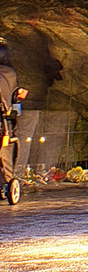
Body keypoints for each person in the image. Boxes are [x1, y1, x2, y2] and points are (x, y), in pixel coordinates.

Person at [0, 44, 28, 201]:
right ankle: (7, 180)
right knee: (5, 152)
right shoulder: (9, 73)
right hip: (4, 120)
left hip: (2, 118)